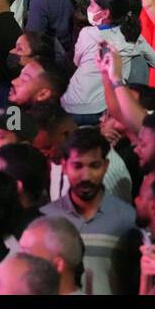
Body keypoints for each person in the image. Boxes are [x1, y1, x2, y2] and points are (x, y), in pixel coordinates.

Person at [40, 126, 136, 294]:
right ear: (64, 167)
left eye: (94, 165)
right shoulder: (46, 219)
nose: (86, 176)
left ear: (106, 166)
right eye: (77, 166)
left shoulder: (128, 219)